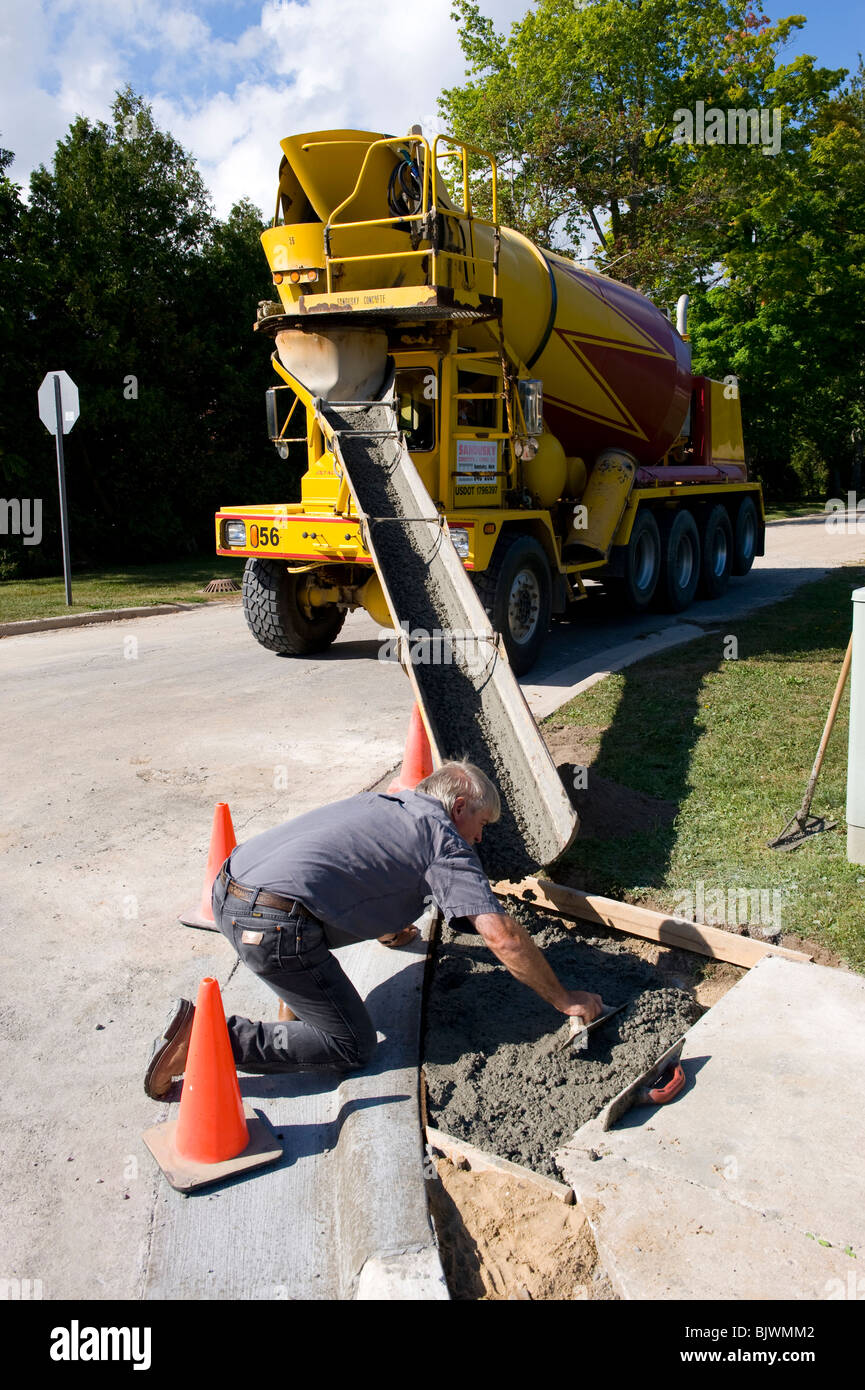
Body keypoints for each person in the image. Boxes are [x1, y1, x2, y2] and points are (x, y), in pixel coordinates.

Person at [145, 761, 603, 1097]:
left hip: (229, 887)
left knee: (304, 935)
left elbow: (360, 868)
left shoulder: (387, 801)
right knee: (351, 1045)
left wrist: (392, 928)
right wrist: (565, 999)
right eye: (480, 825)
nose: (479, 839)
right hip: (270, 924)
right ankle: (209, 1040)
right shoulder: (444, 840)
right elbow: (501, 936)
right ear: (458, 806)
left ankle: (295, 990)